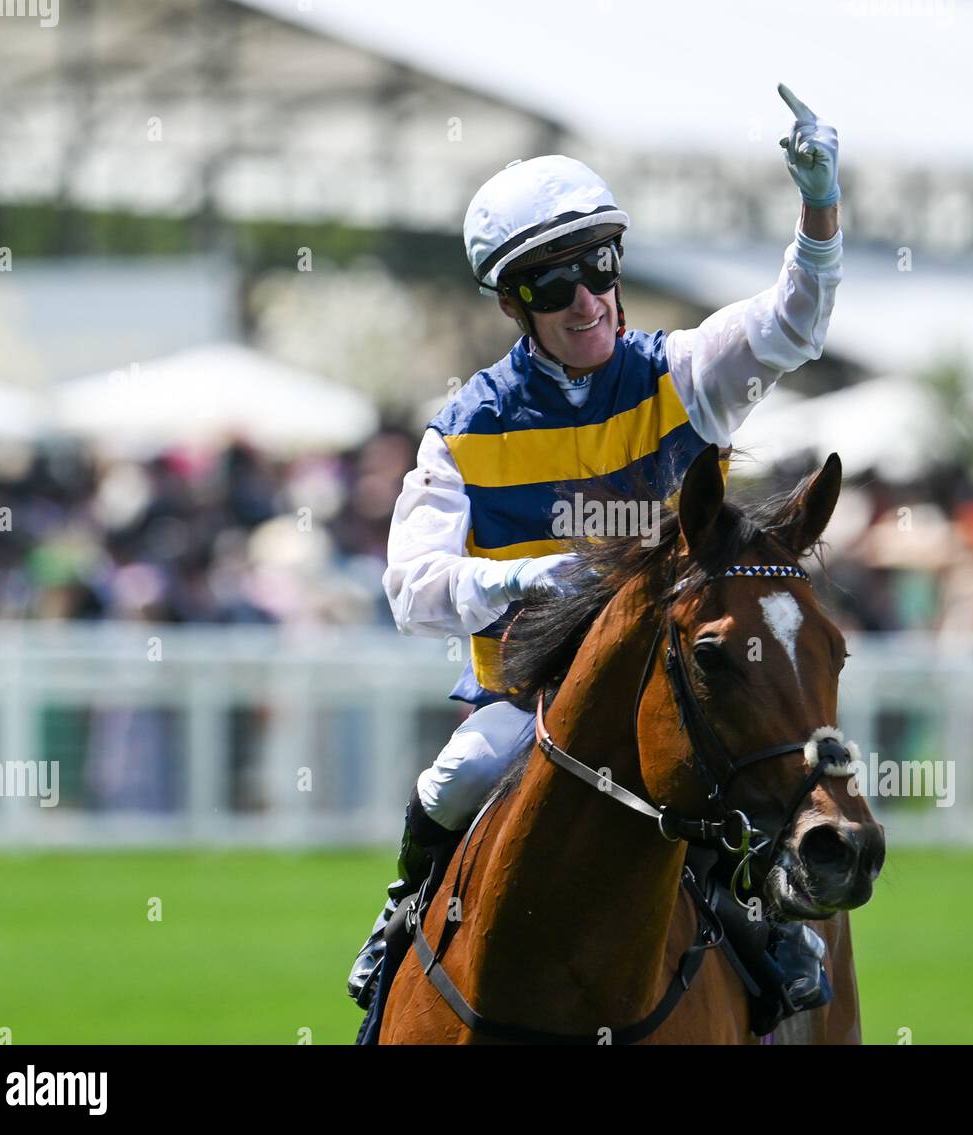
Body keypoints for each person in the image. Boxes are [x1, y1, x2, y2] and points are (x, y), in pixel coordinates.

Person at [349, 83, 847, 1032]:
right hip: (525, 709)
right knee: (453, 778)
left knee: (731, 797)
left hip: (665, 702)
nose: (586, 299)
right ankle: (402, 916)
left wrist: (820, 209)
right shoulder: (462, 432)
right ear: (513, 301)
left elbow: (795, 324)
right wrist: (520, 579)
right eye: (552, 283)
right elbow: (411, 588)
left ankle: (775, 948)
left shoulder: (681, 373)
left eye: (600, 266)